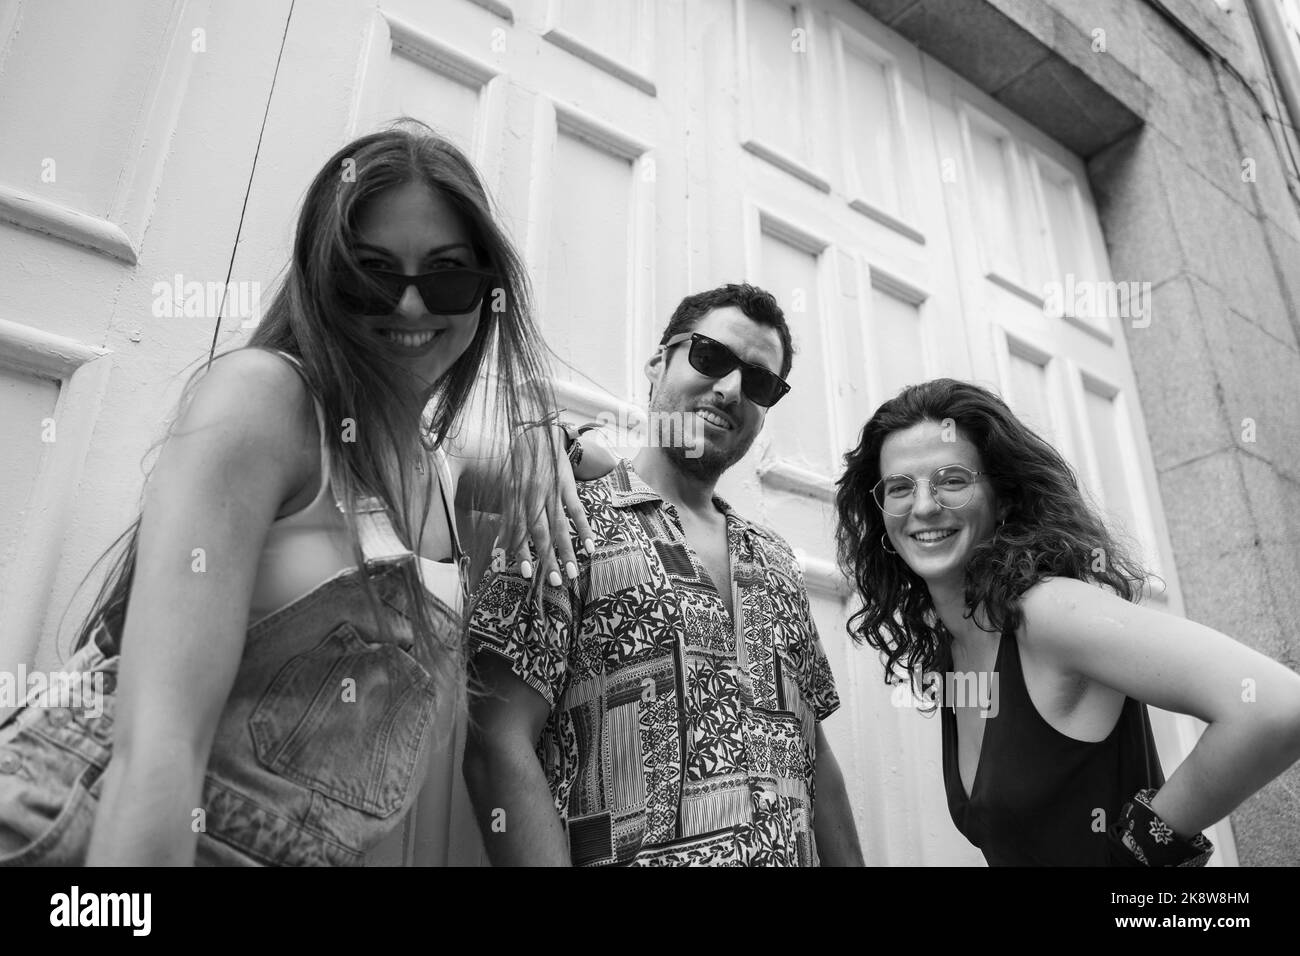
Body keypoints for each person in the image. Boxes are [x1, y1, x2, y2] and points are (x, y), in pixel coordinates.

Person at [0, 120, 604, 866]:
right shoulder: (270, 403)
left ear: (486, 293)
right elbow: (160, 747)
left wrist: (545, 427)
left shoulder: (441, 473)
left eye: (447, 274)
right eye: (373, 273)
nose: (411, 307)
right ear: (324, 278)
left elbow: (613, 457)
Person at [463, 283, 864, 866]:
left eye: (758, 381)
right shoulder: (566, 512)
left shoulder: (775, 562)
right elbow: (496, 740)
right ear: (658, 363)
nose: (730, 389)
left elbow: (814, 758)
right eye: (710, 356)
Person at [834, 378, 1300, 866]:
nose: (925, 505)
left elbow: (1272, 705)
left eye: (952, 480)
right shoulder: (954, 648)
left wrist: (1138, 855)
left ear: (1005, 498)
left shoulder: (1049, 611)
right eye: (900, 487)